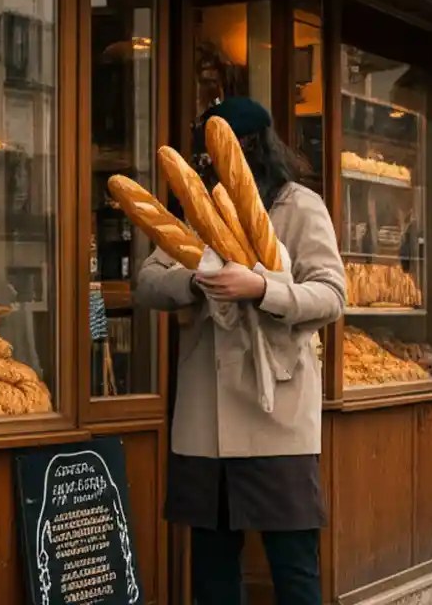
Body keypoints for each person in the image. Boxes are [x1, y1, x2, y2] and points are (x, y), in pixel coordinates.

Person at [134, 97, 346, 605]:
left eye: (216, 153)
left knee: (293, 570)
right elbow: (146, 284)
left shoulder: (299, 206)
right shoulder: (198, 211)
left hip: (277, 419)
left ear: (249, 147)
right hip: (204, 425)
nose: (208, 166)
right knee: (211, 574)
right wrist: (194, 279)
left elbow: (332, 294)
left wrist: (260, 288)